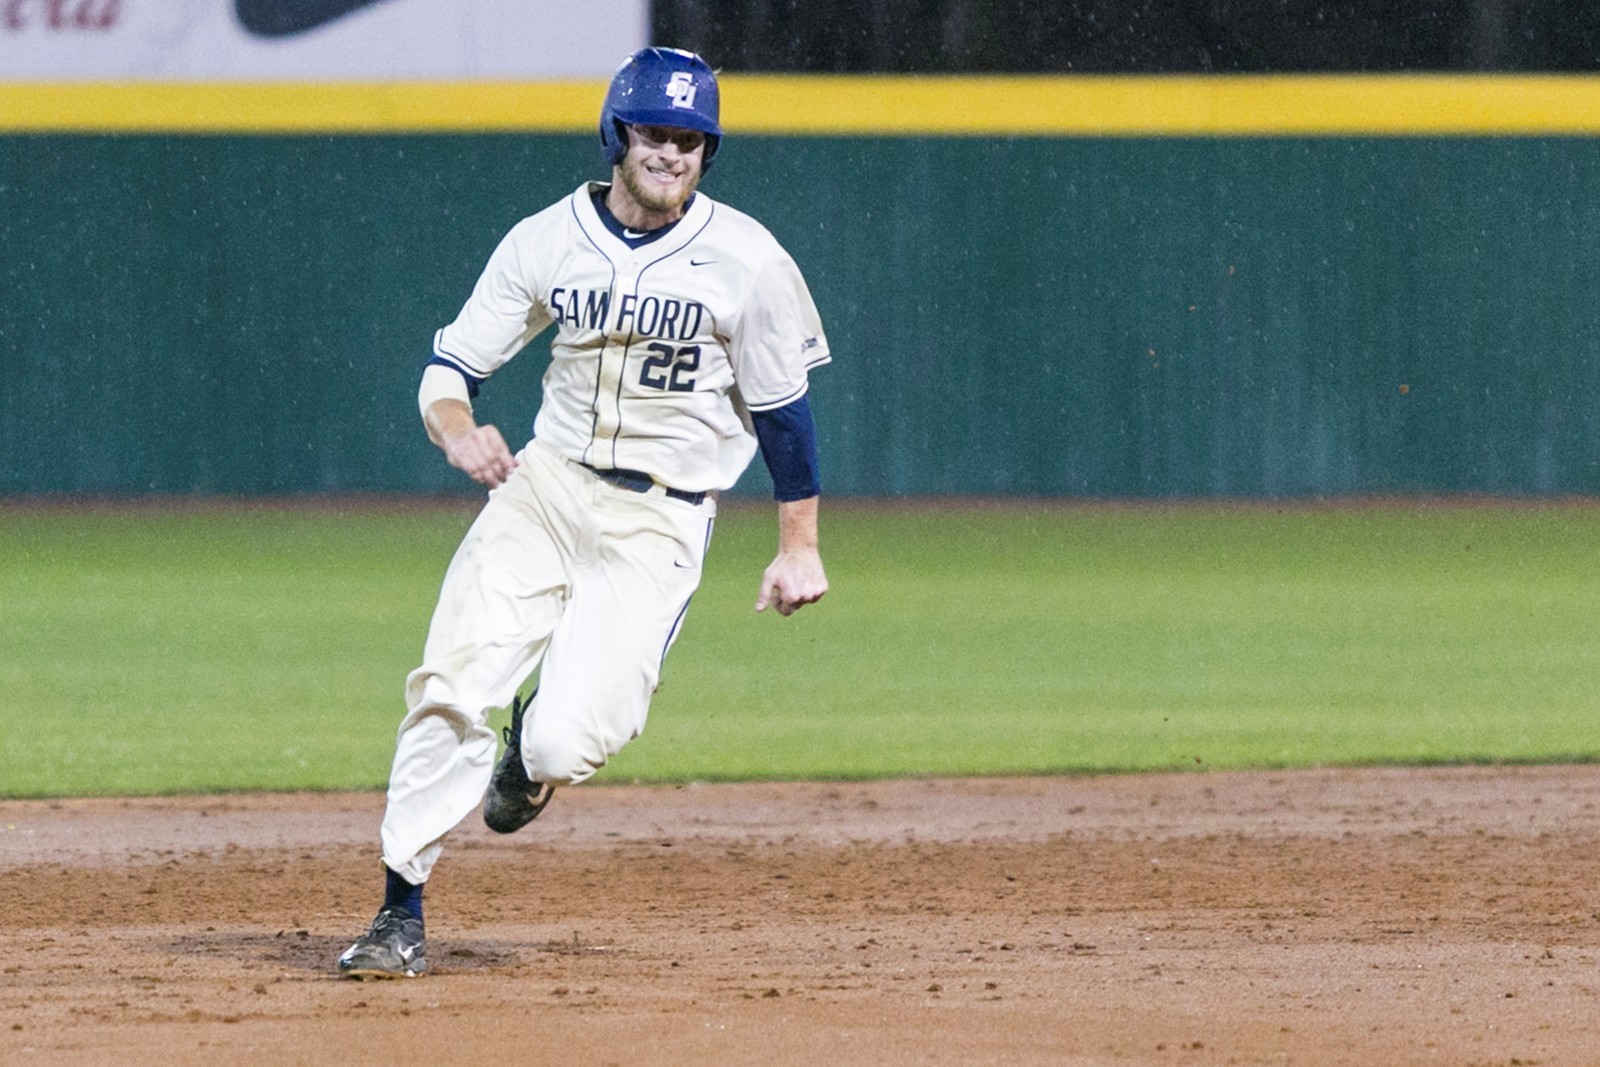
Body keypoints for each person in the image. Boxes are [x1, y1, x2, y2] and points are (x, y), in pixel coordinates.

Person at [336, 47, 831, 979]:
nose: (673, 153)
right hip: (545, 486)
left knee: (572, 735)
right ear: (617, 132)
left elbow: (783, 408)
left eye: (692, 139)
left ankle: (528, 758)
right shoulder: (545, 238)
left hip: (661, 519)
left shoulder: (749, 260)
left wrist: (797, 544)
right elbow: (451, 373)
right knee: (451, 678)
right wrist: (456, 432)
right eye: (655, 131)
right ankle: (399, 909)